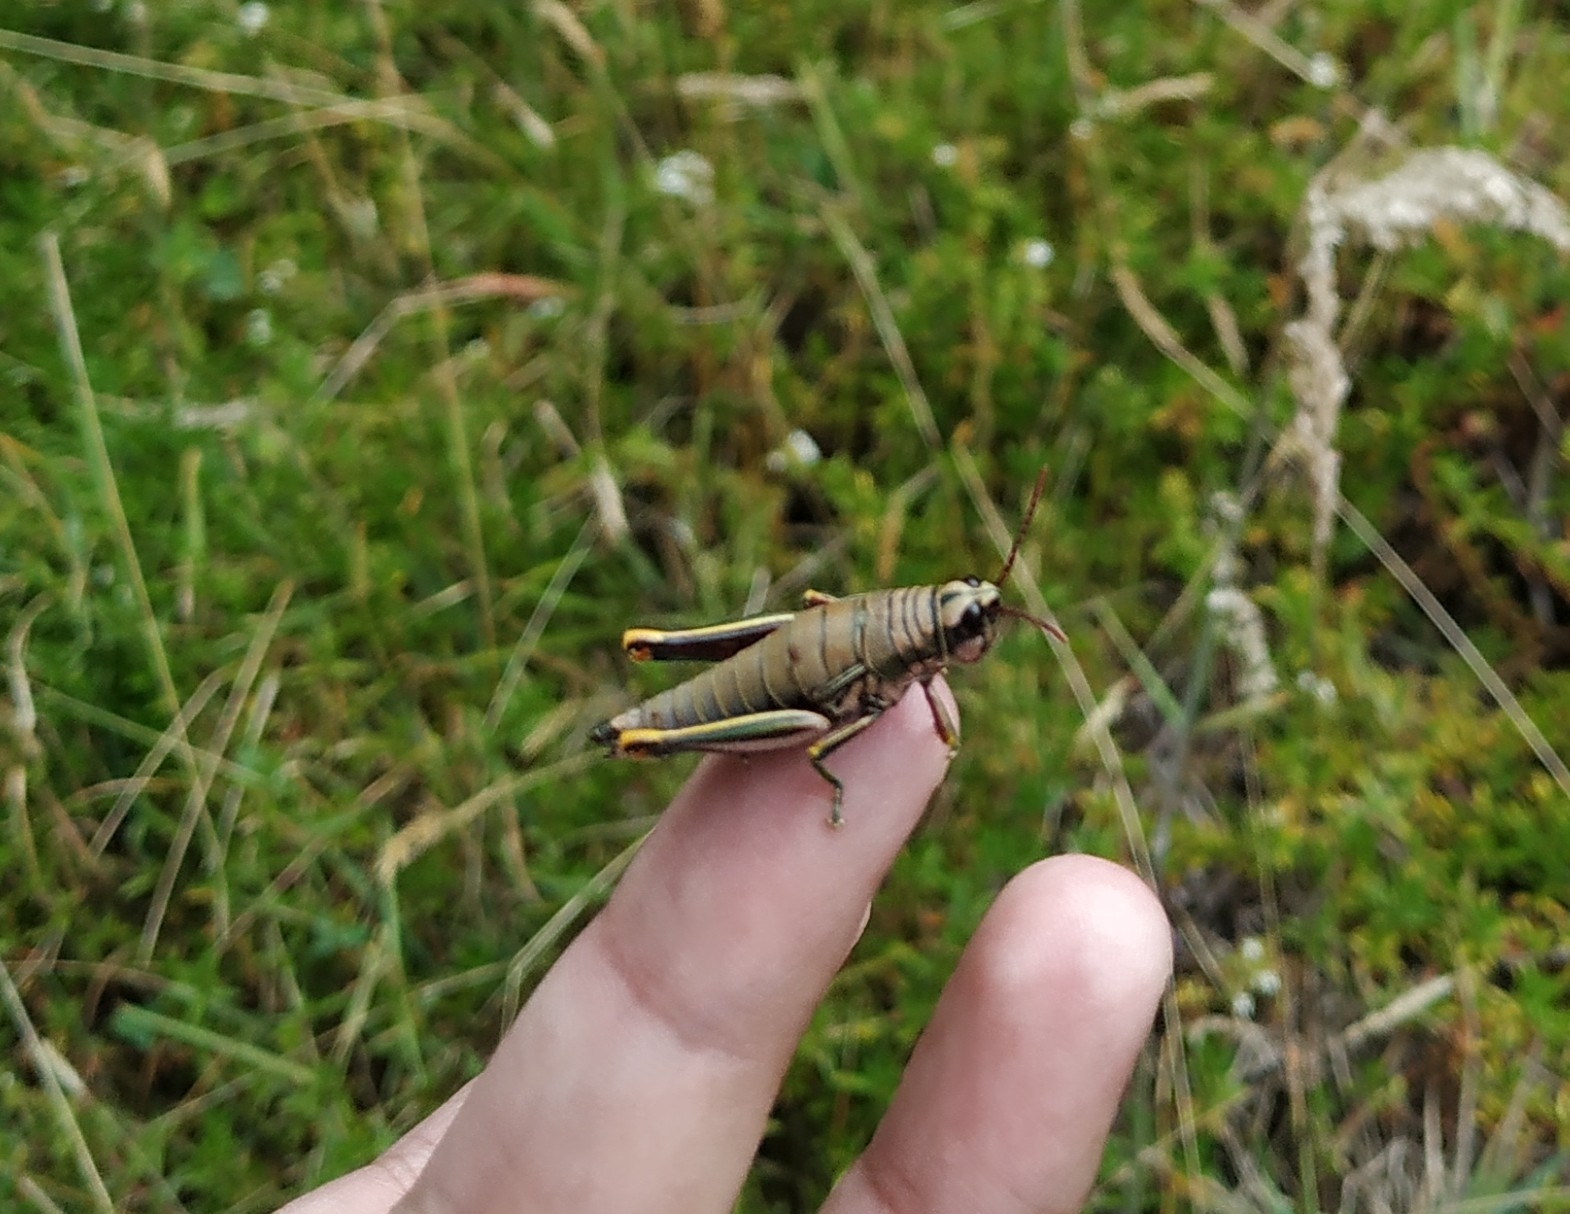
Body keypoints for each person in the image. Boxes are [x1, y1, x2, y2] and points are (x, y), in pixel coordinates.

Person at [277, 681, 1172, 1213]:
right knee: (817, 736)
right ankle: (644, 729)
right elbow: (827, 737)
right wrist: (828, 783)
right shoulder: (888, 673)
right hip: (784, 692)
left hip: (816, 671)